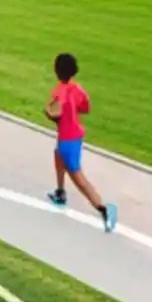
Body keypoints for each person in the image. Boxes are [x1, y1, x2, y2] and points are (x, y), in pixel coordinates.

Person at [45, 53, 117, 233]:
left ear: (57, 71)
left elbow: (53, 112)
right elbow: (85, 107)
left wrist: (50, 113)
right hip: (76, 134)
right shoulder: (77, 89)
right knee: (57, 156)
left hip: (66, 139)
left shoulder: (58, 91)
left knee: (79, 179)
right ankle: (60, 192)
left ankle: (103, 208)